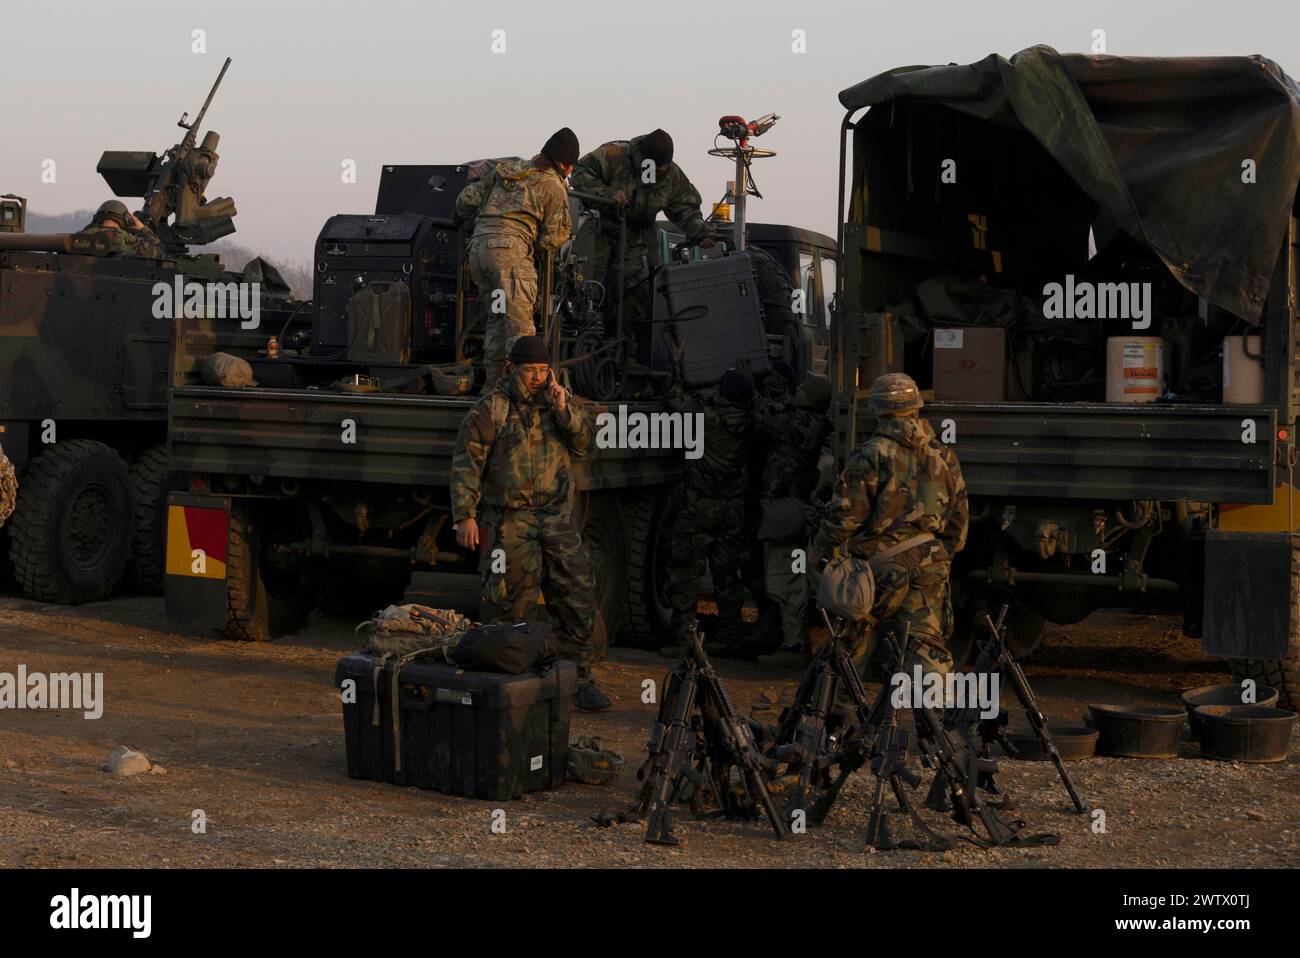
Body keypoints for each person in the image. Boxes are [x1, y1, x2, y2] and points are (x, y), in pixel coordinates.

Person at [449, 334, 611, 711]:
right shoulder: (491, 410)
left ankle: (578, 678)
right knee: (509, 603)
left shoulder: (558, 403)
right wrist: (465, 516)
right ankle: (516, 683)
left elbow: (586, 445)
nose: (537, 378)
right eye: (530, 371)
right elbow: (466, 465)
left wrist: (564, 408)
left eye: (543, 370)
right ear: (511, 369)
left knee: (576, 595)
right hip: (510, 519)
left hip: (556, 517)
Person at [808, 372, 969, 681]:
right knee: (926, 655)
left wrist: (819, 551)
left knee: (848, 653)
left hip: (875, 570)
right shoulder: (944, 455)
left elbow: (845, 517)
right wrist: (938, 556)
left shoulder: (870, 454)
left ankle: (837, 725)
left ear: (878, 410)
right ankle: (938, 726)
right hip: (929, 565)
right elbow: (958, 522)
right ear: (917, 407)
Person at [568, 130, 714, 370]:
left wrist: (701, 232)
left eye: (662, 170)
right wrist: (606, 195)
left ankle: (624, 360)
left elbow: (685, 208)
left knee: (634, 295)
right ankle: (583, 354)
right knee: (589, 293)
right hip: (598, 232)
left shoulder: (671, 175)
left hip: (635, 238)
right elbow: (580, 174)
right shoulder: (613, 155)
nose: (658, 174)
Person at [455, 129, 579, 393]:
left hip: (478, 250)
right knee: (521, 328)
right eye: (570, 167)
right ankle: (523, 396)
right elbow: (554, 238)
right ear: (562, 164)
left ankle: (492, 389)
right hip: (509, 254)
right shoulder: (553, 185)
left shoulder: (507, 170)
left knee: (498, 319)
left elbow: (466, 200)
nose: (570, 172)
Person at [659, 344, 754, 658]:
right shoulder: (753, 420)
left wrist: (676, 365)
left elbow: (673, 398)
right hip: (733, 509)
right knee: (727, 576)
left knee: (686, 572)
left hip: (700, 508)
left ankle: (685, 637)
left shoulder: (705, 417)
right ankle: (729, 635)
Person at [753, 373, 834, 668]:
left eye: (803, 388)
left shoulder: (807, 423)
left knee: (788, 577)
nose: (797, 389)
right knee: (786, 575)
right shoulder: (806, 419)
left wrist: (752, 394)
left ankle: (794, 644)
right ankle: (792, 638)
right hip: (787, 509)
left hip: (791, 511)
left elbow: (769, 420)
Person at [77, 200, 165, 258]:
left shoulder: (79, 237)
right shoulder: (127, 240)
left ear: (97, 218)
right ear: (126, 219)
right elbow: (159, 251)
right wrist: (142, 228)